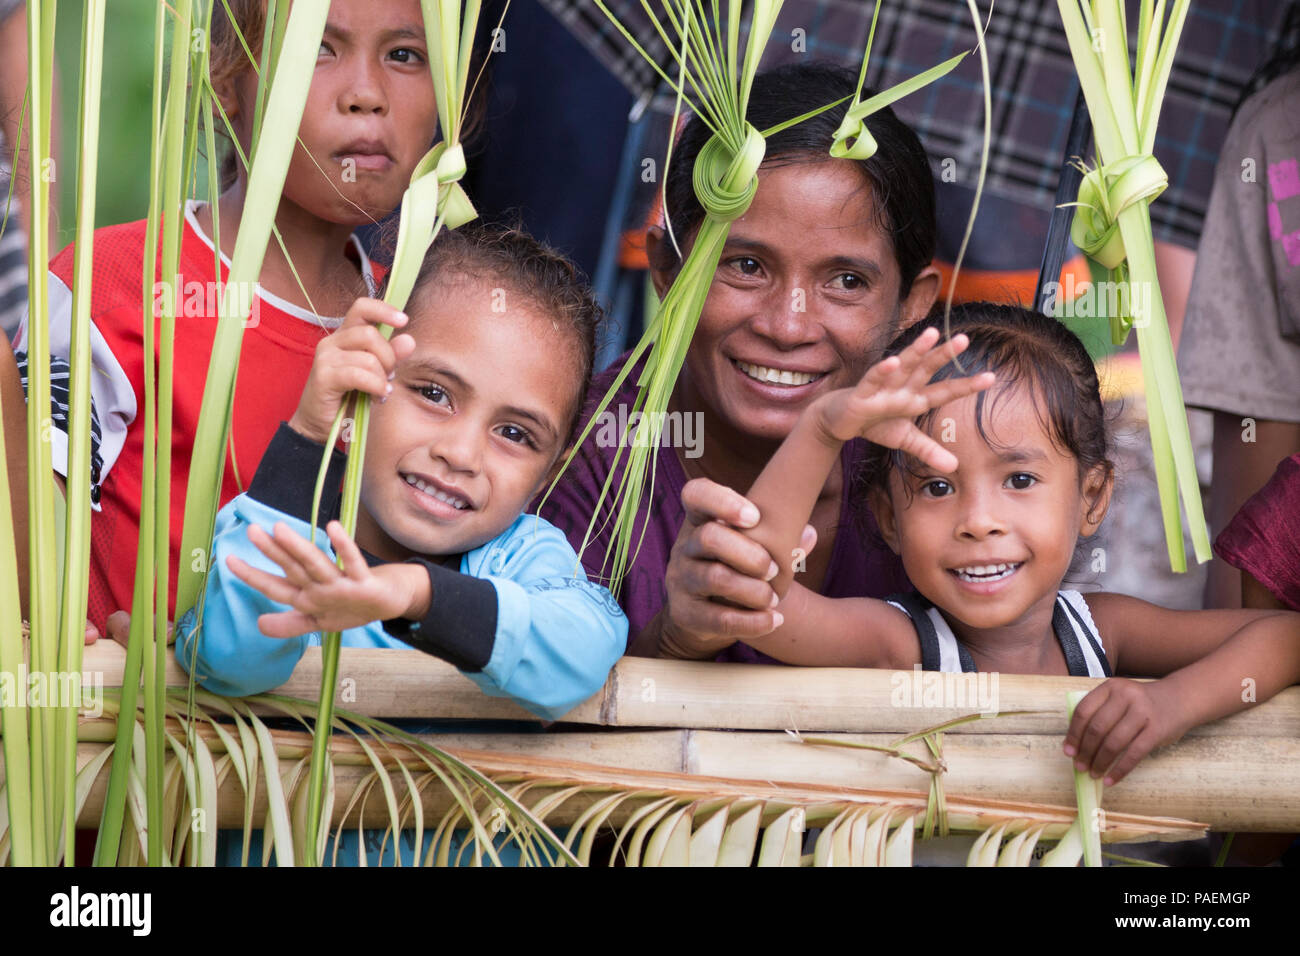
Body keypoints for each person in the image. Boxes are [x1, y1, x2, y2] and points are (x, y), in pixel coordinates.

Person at [736, 304, 1300, 786]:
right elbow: (753, 597)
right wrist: (819, 432)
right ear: (888, 518)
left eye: (1020, 481)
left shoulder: (1102, 632)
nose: (979, 521)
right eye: (937, 486)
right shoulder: (901, 645)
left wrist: (1170, 703)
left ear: (1091, 497)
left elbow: (1285, 634)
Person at [12, 0, 441, 633]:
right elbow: (24, 535)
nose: (366, 94)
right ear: (224, 81)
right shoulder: (109, 290)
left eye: (404, 55)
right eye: (319, 48)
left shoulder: (418, 332)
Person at [539, 62, 941, 662]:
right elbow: (536, 713)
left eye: (847, 280)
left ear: (912, 303)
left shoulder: (941, 468)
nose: (786, 326)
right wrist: (678, 637)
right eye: (746, 266)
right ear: (668, 270)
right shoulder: (573, 455)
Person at [175, 224, 627, 722]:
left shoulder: (520, 557)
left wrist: (418, 594)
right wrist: (309, 433)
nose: (461, 454)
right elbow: (234, 659)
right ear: (364, 381)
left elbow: (583, 649)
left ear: (547, 474)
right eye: (434, 394)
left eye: (515, 434)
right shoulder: (282, 524)